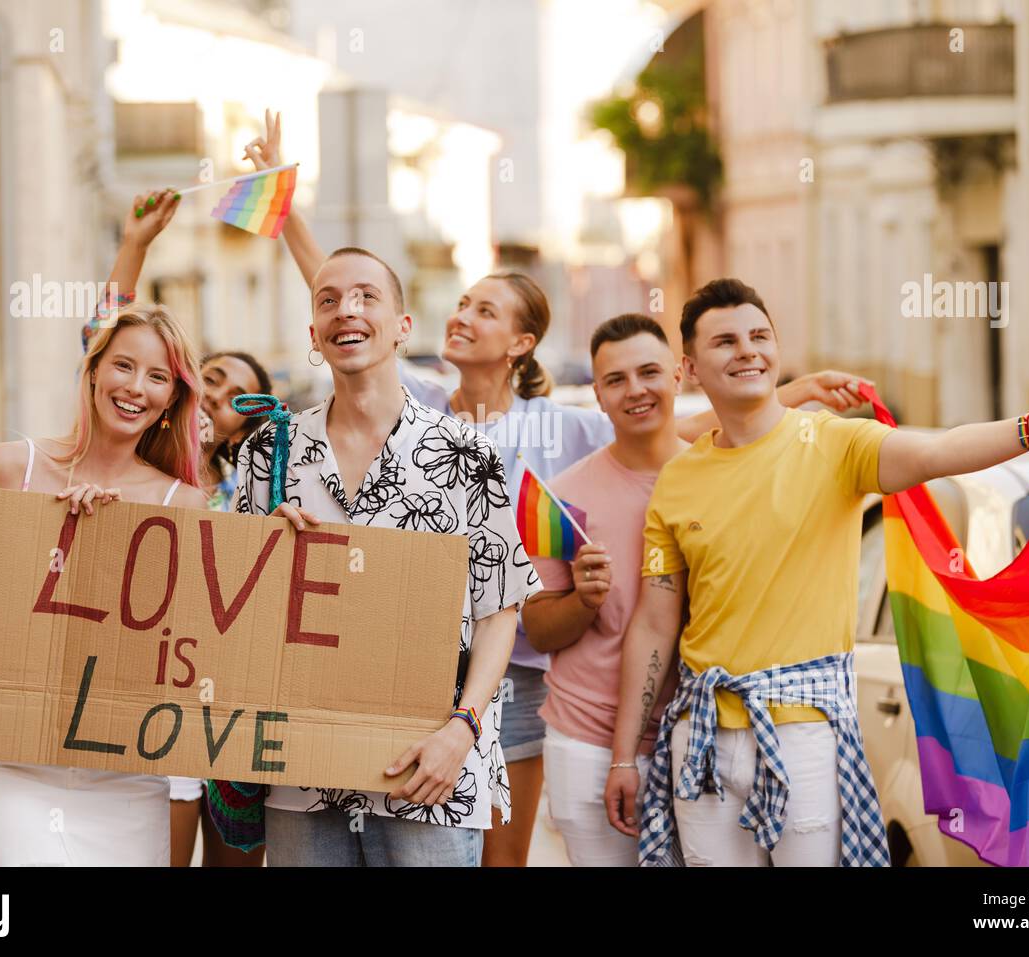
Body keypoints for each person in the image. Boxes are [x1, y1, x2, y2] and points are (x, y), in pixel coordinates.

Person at [243, 108, 868, 865]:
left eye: (484, 310)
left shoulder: (566, 429)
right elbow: (347, 305)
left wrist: (789, 395)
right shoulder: (423, 405)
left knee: (499, 854)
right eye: (462, 304)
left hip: (523, 673)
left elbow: (669, 422)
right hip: (410, 671)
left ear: (523, 343)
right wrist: (286, 208)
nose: (463, 316)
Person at [604, 278, 1029, 867]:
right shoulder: (679, 477)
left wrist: (1024, 431)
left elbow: (936, 452)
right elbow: (655, 624)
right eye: (725, 341)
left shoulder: (835, 445)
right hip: (701, 735)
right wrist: (624, 756)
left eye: (760, 335)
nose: (747, 351)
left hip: (805, 734)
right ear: (691, 367)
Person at [521, 313, 865, 865]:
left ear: (679, 375)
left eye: (650, 373)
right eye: (615, 380)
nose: (636, 391)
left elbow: (742, 416)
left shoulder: (718, 470)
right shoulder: (565, 497)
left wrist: (796, 391)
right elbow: (536, 629)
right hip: (591, 740)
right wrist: (581, 602)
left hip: (712, 734)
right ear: (598, 395)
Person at [234, 245, 539, 866]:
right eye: (328, 300)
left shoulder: (465, 454)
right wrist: (263, 550)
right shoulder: (270, 452)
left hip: (431, 771)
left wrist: (464, 729)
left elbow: (498, 610)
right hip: (301, 772)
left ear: (403, 327)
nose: (347, 310)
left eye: (367, 296)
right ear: (314, 334)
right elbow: (235, 607)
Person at [0, 301, 209, 866]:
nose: (136, 387)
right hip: (13, 764)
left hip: (126, 774)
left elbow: (187, 642)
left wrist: (101, 553)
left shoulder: (184, 503)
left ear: (171, 401)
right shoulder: (10, 468)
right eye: (124, 366)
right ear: (94, 370)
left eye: (158, 377)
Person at [82, 191, 274, 866]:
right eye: (213, 380)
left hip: (223, 719)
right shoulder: (131, 458)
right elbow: (103, 335)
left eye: (236, 400)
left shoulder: (248, 499)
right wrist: (135, 245)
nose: (218, 399)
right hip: (136, 706)